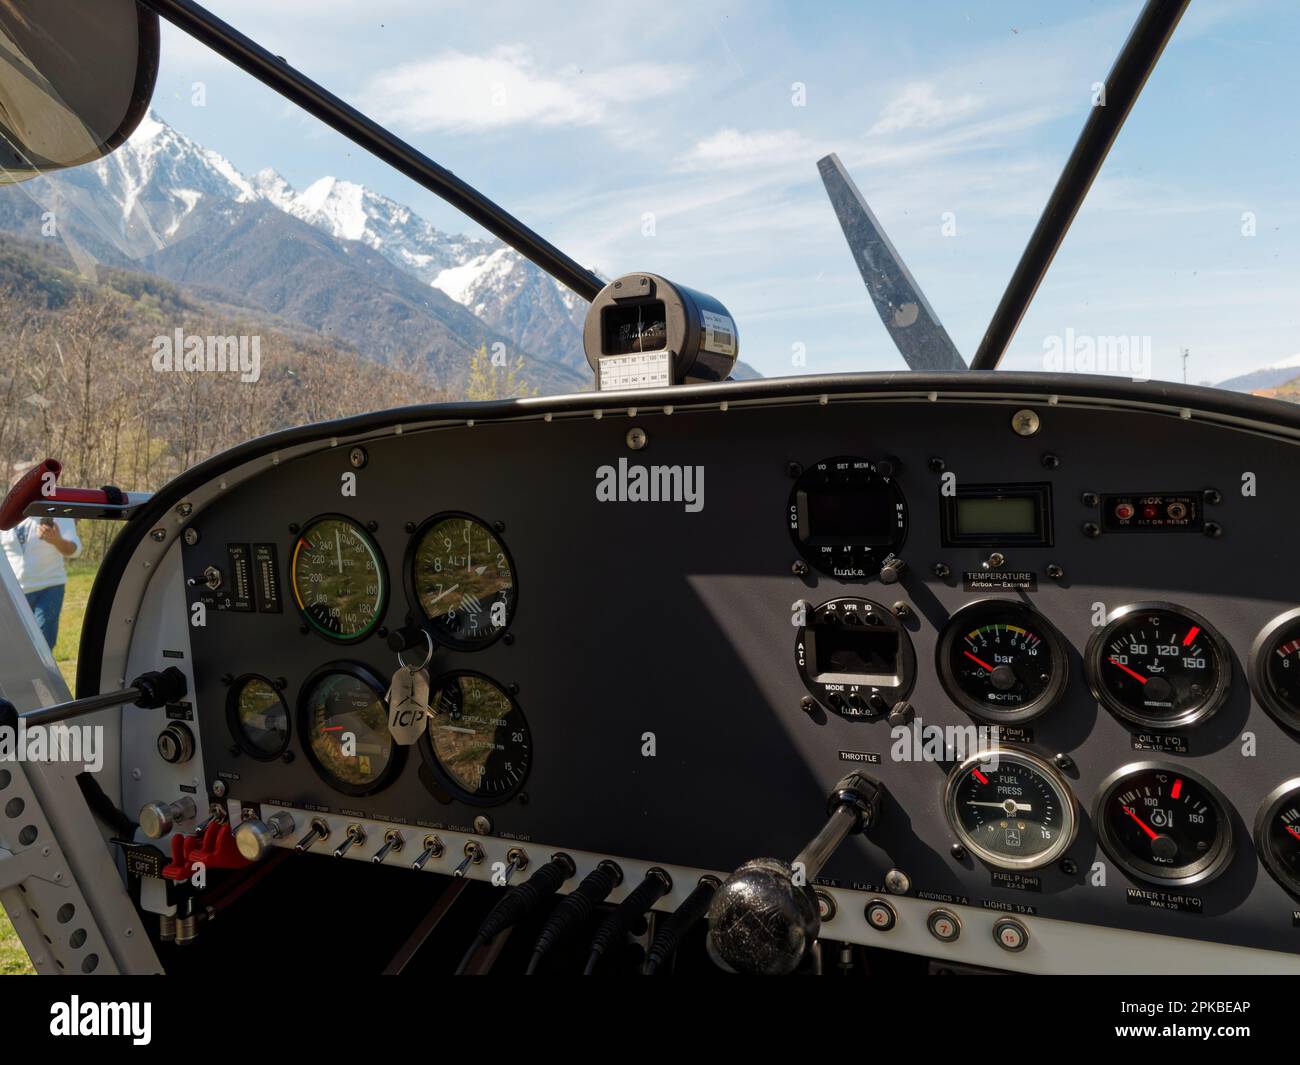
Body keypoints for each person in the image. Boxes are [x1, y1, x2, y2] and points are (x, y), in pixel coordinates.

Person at [1, 516, 82, 650]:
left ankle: (42, 671)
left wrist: (57, 541)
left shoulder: (58, 515)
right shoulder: (8, 515)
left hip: (49, 590)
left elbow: (75, 551)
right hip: (15, 593)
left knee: (43, 646)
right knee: (14, 646)